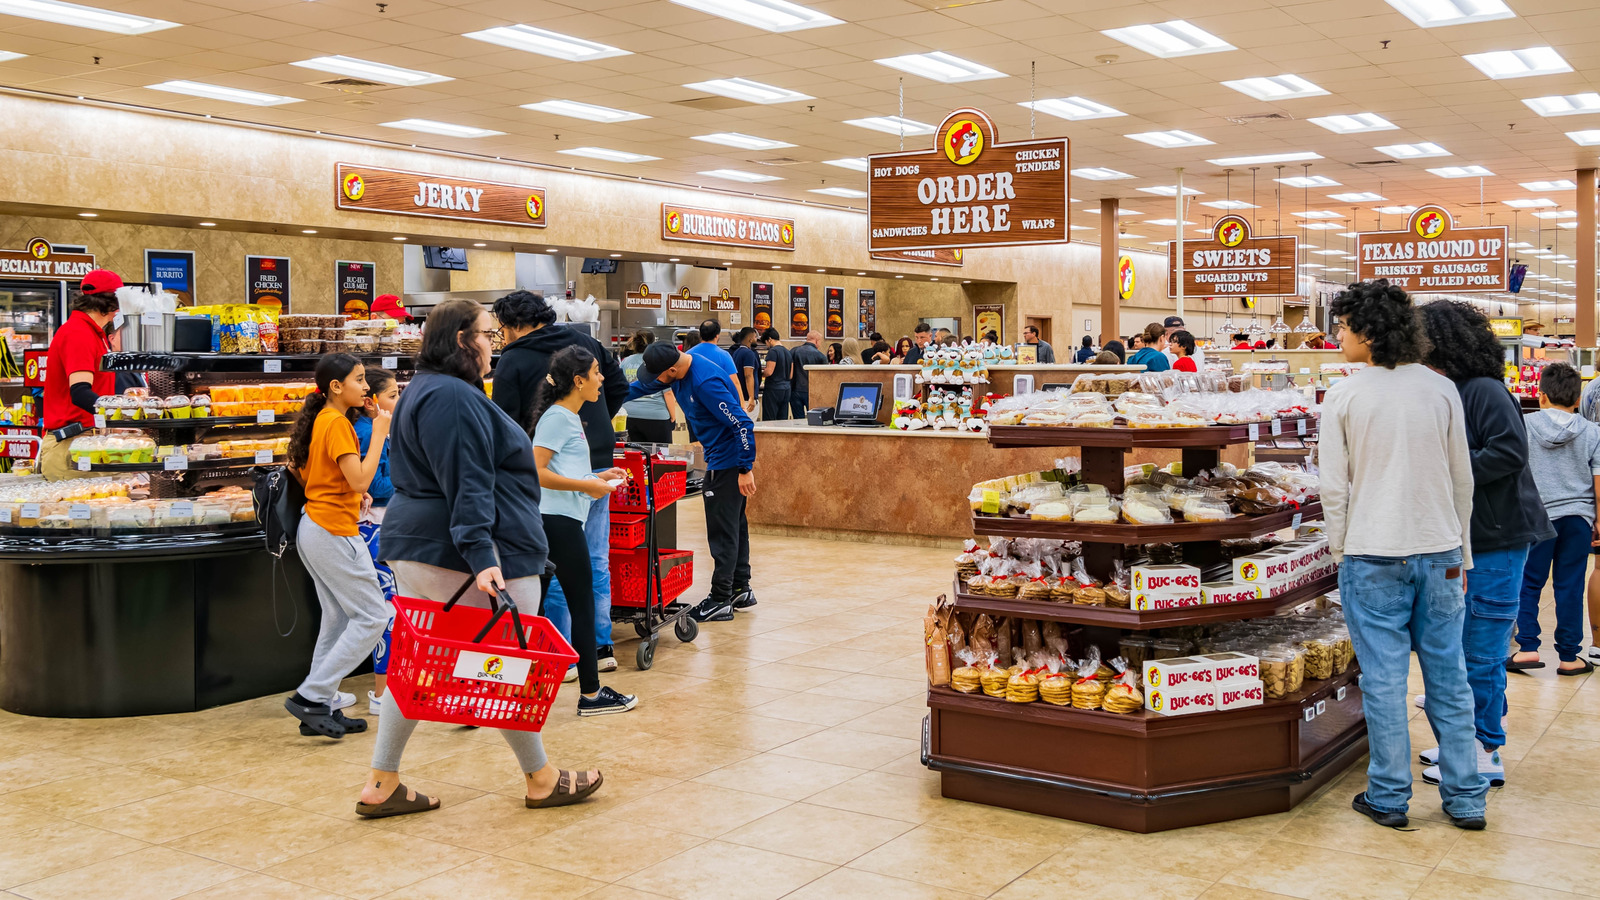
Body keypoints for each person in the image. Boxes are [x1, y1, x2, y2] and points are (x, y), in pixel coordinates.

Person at [358, 299, 602, 819]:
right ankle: (540, 778)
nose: (496, 343)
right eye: (489, 335)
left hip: (429, 548)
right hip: (470, 554)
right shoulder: (450, 397)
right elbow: (467, 481)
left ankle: (383, 781)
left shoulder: (429, 389)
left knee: (418, 665)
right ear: (464, 341)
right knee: (505, 666)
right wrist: (482, 555)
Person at [1321, 279, 1487, 831]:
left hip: (1372, 552)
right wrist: (1461, 553)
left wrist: (1341, 548)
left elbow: (1334, 488)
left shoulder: (1344, 394)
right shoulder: (1441, 390)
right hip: (1438, 549)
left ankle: (1389, 797)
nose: (1338, 336)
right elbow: (1462, 481)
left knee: (1384, 681)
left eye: (1343, 326)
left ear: (1368, 332)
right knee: (1449, 676)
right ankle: (1466, 796)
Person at [1415, 299, 1551, 790]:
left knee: (1484, 651)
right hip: (1466, 539)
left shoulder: (1484, 390)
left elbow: (1510, 450)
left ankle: (1485, 748)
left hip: (1499, 539)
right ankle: (1463, 740)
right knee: (1458, 648)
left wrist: (1449, 472)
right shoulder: (1449, 390)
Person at [491, 291, 628, 675]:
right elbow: (618, 387)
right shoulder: (583, 342)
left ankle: (564, 650)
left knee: (550, 563)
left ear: (515, 324)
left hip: (546, 472)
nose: (502, 335)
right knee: (595, 559)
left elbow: (504, 423)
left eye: (502, 328)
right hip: (595, 459)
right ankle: (600, 647)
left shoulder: (514, 359)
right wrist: (592, 423)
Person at [283, 353, 390, 740]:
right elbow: (362, 480)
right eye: (359, 380)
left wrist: (345, 493)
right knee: (372, 616)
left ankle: (320, 703)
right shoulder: (338, 424)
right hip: (332, 531)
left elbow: (315, 473)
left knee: (340, 619)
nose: (365, 387)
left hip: (316, 526)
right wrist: (379, 432)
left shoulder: (322, 420)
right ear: (335, 387)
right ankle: (311, 695)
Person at [532, 346, 638, 716]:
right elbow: (537, 472)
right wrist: (586, 487)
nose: (603, 378)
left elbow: (565, 471)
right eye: (596, 372)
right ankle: (591, 696)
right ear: (578, 381)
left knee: (533, 607)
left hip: (561, 519)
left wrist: (597, 478)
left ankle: (508, 689)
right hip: (555, 522)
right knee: (581, 602)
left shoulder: (571, 417)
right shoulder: (558, 418)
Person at [630, 342, 756, 623]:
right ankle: (739, 588)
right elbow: (645, 387)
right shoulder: (680, 371)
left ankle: (721, 599)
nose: (656, 381)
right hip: (720, 459)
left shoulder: (705, 382)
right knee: (735, 525)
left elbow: (741, 424)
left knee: (722, 532)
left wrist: (745, 468)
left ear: (672, 369)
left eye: (659, 375)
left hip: (727, 462)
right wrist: (609, 395)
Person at [1517, 362, 1600, 677]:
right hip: (1578, 519)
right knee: (1570, 585)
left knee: (1529, 582)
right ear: (1578, 400)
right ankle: (1569, 656)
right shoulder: (1593, 431)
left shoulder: (1524, 425)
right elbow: (1599, 483)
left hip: (1537, 517)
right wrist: (1599, 521)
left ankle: (1527, 649)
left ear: (1541, 397)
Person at [39, 269, 120, 481]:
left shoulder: (94, 333)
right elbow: (80, 392)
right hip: (72, 444)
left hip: (88, 441)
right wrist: (122, 414)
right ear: (110, 303)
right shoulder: (79, 333)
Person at [356, 368, 400, 717]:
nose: (398, 401)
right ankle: (382, 692)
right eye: (393, 395)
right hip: (374, 526)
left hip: (378, 525)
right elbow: (377, 485)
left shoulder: (375, 429)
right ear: (372, 402)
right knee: (388, 610)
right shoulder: (369, 431)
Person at [619, 331, 682, 444]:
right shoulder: (657, 361)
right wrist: (673, 417)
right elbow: (667, 393)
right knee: (659, 456)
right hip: (657, 416)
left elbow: (620, 388)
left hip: (629, 415)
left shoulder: (625, 362)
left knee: (634, 455)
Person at [791, 332, 828, 418]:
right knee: (813, 419)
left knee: (797, 420)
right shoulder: (820, 356)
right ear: (816, 341)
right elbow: (825, 378)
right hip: (812, 392)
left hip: (794, 391)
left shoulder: (793, 351)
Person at [759, 328, 793, 421]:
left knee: (770, 419)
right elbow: (791, 375)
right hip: (786, 389)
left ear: (769, 339)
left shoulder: (773, 351)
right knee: (782, 420)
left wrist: (760, 373)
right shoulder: (788, 352)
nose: (766, 345)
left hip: (773, 389)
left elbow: (769, 372)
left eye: (766, 342)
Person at [731, 327, 760, 411]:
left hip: (738, 396)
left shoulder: (736, 352)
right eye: (755, 337)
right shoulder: (749, 353)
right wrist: (751, 397)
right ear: (750, 339)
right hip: (747, 399)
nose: (756, 339)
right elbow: (748, 375)